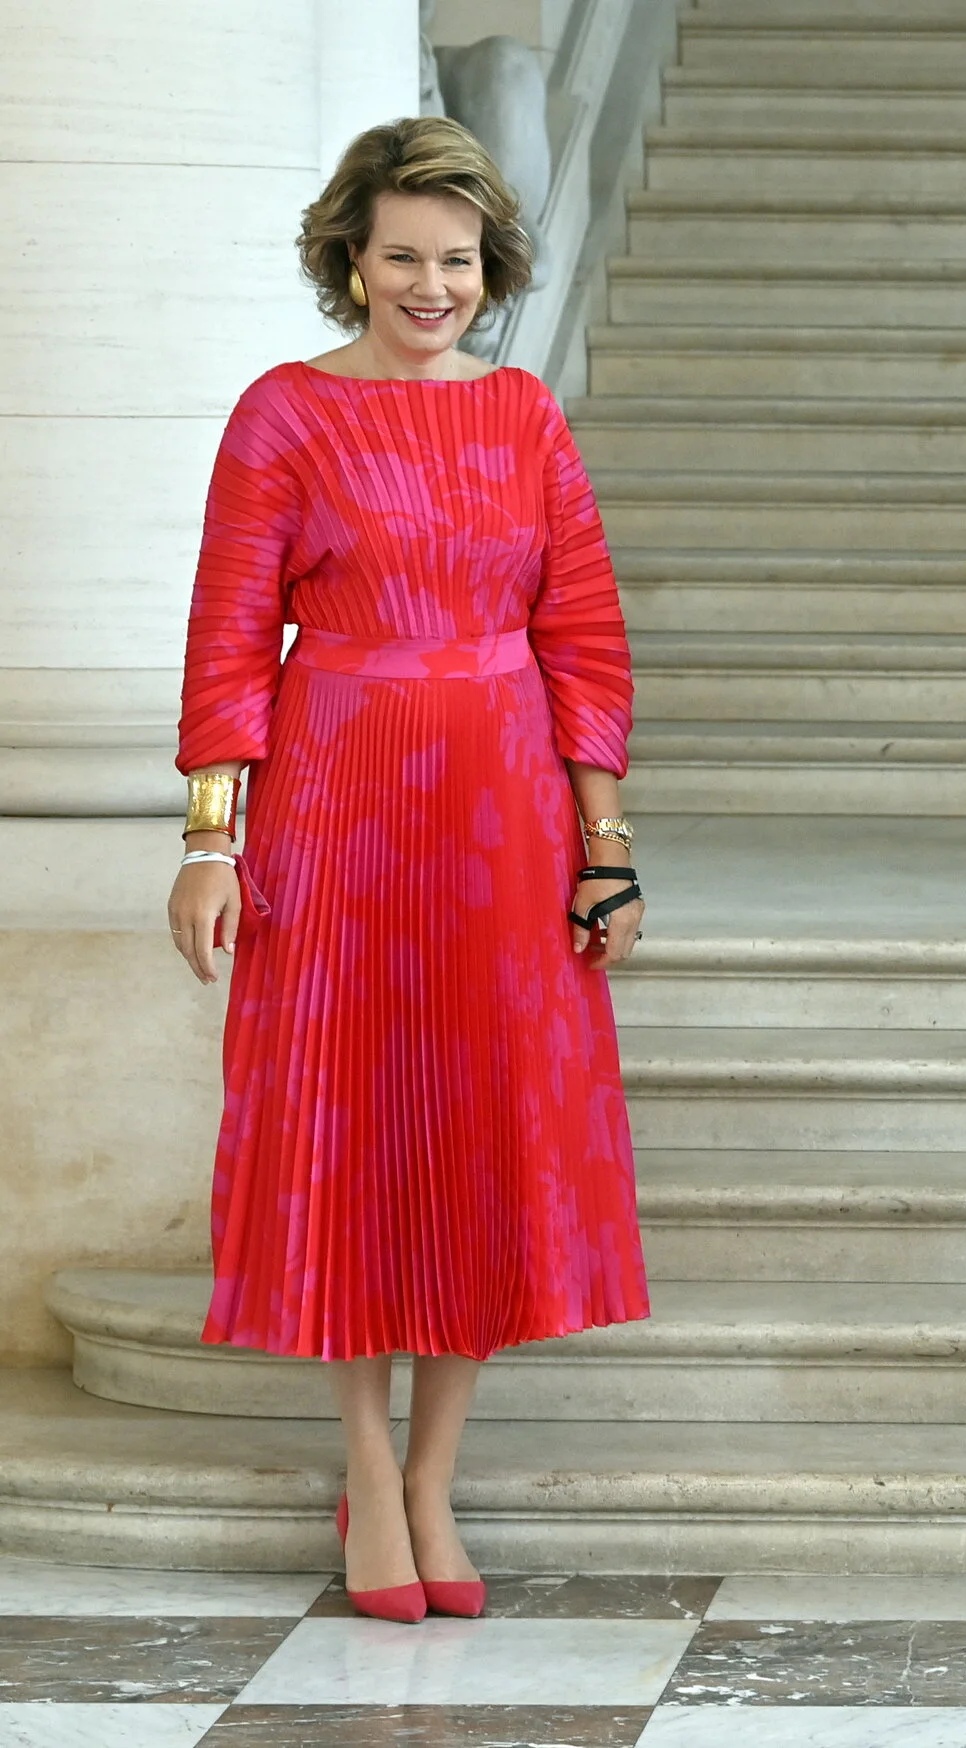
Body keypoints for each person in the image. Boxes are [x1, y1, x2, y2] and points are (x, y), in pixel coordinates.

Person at [165, 117, 649, 1625]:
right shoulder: (281, 416)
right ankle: (367, 1475)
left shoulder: (525, 419)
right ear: (350, 260)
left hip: (504, 813)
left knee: (486, 1133)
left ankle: (441, 1475)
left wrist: (607, 846)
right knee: (349, 1129)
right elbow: (232, 635)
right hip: (336, 798)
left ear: (488, 268)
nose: (428, 285)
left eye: (455, 260)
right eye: (400, 257)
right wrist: (207, 837)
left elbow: (581, 638)